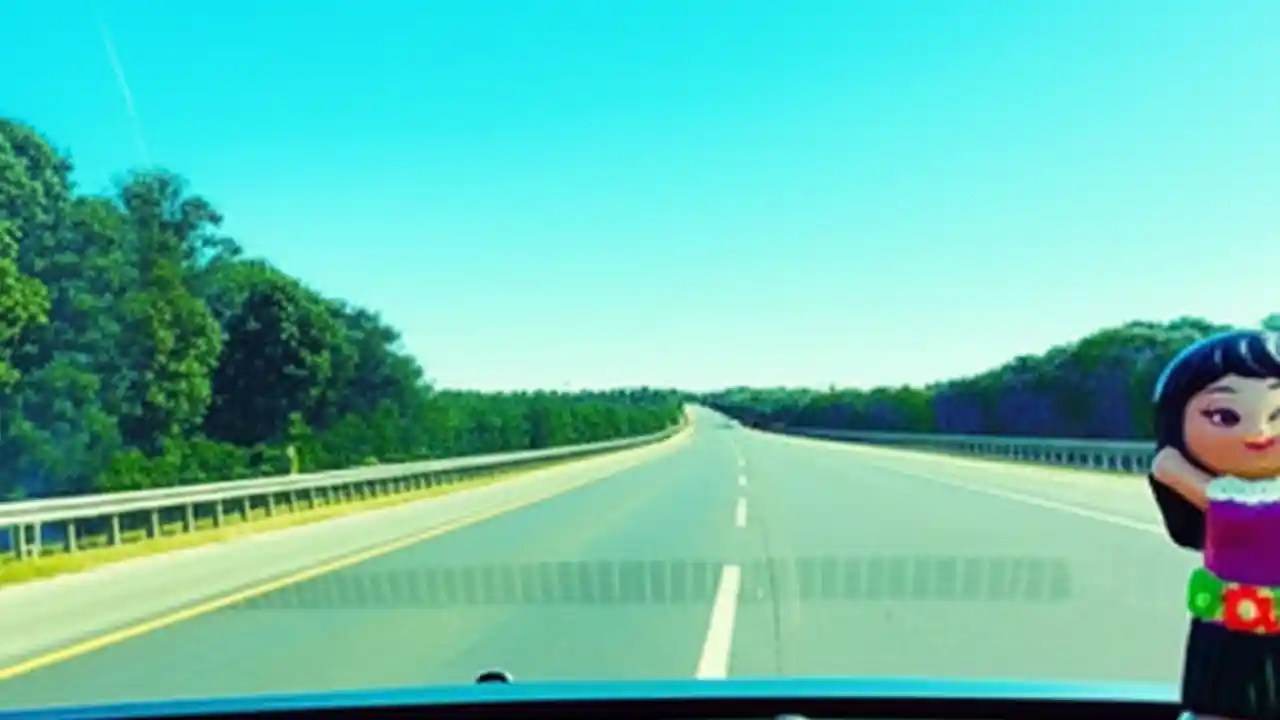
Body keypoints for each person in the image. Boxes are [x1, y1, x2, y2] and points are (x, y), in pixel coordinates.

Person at [1149, 330, 1280, 719]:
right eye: (1224, 416)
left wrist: (1180, 474)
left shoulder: (1227, 497)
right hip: (1224, 625)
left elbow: (1254, 520)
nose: (1258, 434)